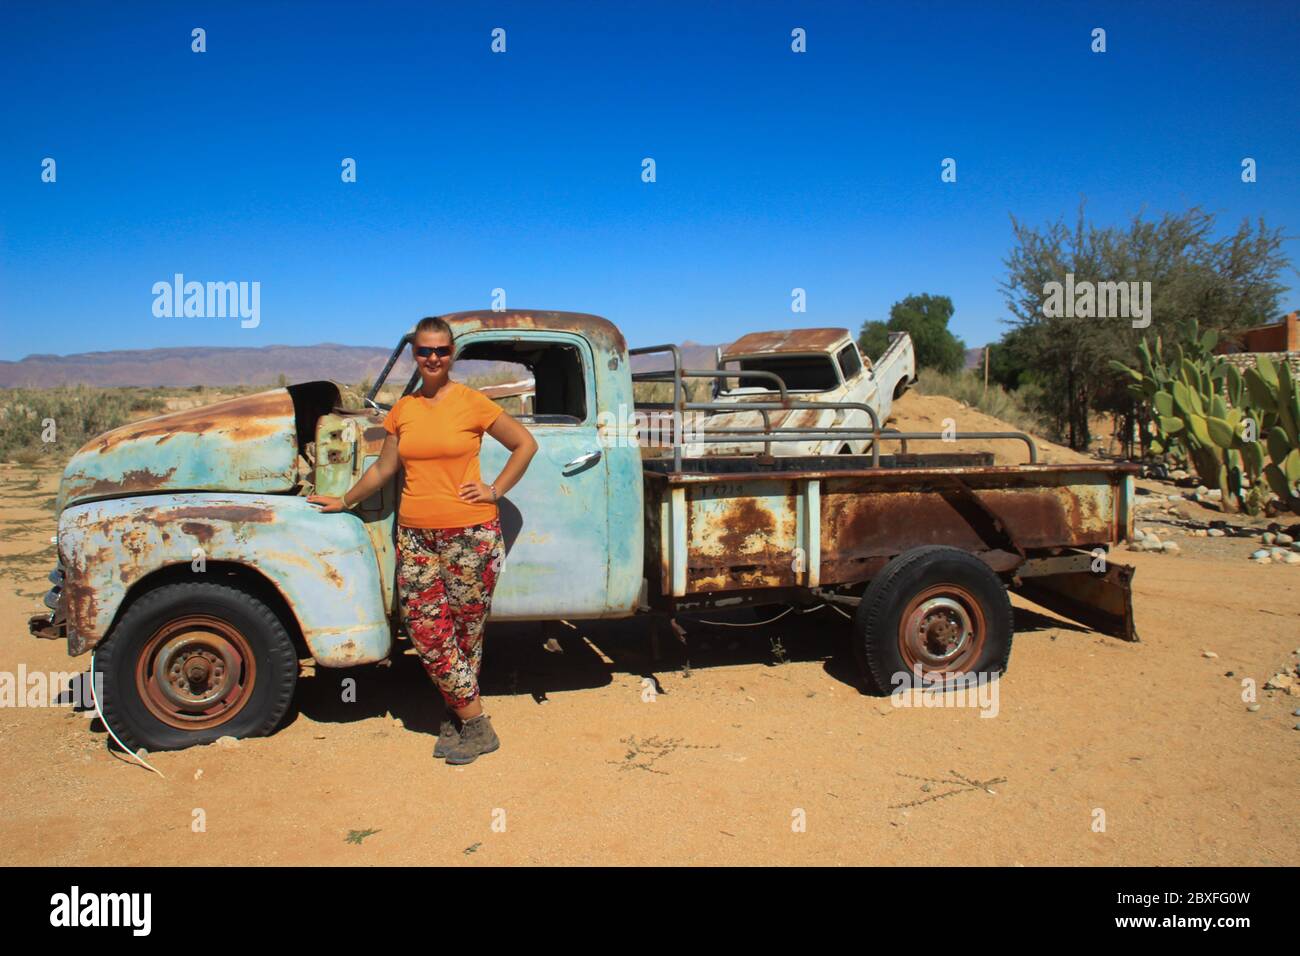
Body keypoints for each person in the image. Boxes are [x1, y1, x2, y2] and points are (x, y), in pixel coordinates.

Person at [309, 316, 538, 765]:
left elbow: (525, 444)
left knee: (466, 634)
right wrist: (345, 500)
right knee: (427, 631)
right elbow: (384, 468)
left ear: (452, 354)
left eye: (442, 351)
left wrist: (494, 490)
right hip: (415, 536)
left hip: (471, 535)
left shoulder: (472, 402)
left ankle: (457, 718)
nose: (433, 358)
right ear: (415, 355)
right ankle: (476, 722)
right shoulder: (404, 409)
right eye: (424, 351)